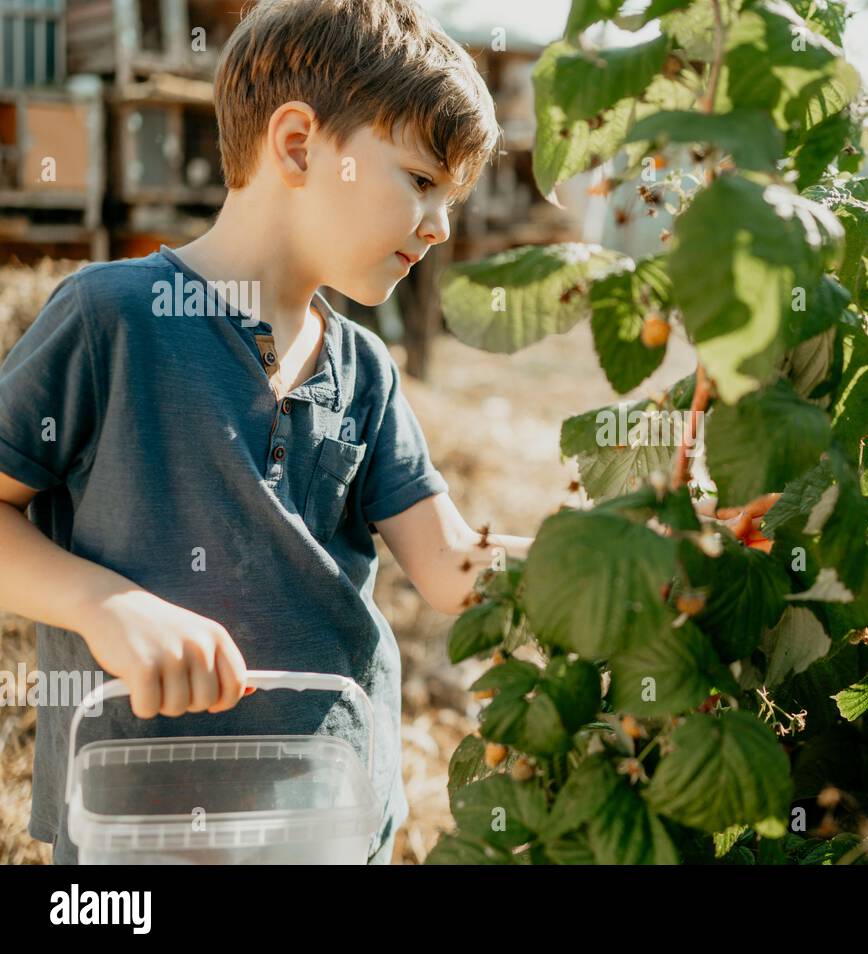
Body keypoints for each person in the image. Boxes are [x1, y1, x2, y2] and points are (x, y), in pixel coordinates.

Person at [0, 0, 527, 866]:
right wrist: (104, 606)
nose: (440, 228)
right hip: (137, 821)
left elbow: (450, 571)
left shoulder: (365, 368)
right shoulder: (110, 319)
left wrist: (630, 548)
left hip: (328, 809)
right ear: (295, 146)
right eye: (423, 182)